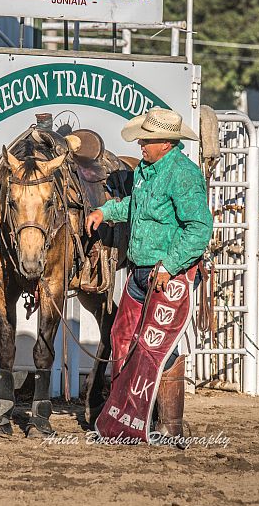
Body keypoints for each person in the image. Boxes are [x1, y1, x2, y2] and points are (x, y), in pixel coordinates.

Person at [85, 108, 213, 439]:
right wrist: (106, 211)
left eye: (148, 139)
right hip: (141, 270)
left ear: (166, 143)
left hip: (169, 274)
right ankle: (126, 415)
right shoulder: (147, 170)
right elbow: (136, 207)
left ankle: (169, 425)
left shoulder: (184, 175)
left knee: (159, 345)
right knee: (122, 338)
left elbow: (199, 229)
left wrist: (170, 266)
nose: (141, 143)